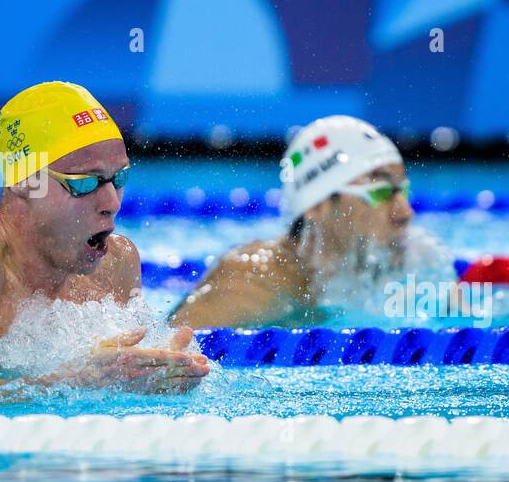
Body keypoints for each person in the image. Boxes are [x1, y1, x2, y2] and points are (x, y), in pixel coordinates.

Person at [0, 81, 208, 394]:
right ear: (24, 181)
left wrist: (157, 374)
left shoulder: (117, 264)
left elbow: (112, 384)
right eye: (85, 182)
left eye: (118, 178)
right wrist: (73, 382)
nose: (112, 203)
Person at [169, 115, 418, 329]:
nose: (405, 213)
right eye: (381, 192)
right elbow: (164, 364)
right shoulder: (252, 282)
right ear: (317, 206)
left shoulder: (400, 267)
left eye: (403, 192)